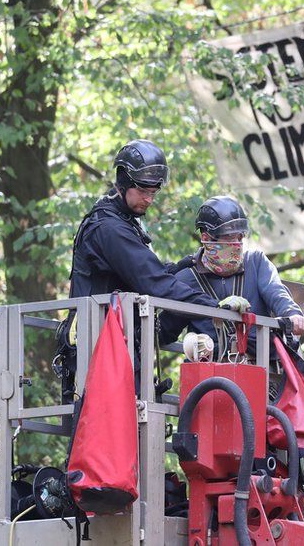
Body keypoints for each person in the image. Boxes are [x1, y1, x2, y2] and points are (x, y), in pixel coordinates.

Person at [63, 140, 245, 394]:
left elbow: (143, 275)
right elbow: (154, 283)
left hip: (115, 347)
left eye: (154, 192)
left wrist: (183, 265)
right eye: (143, 192)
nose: (149, 199)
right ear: (124, 184)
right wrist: (213, 306)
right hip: (102, 350)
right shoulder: (110, 229)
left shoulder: (123, 221)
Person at [157, 196, 304, 358]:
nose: (237, 244)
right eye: (229, 237)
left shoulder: (255, 263)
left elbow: (276, 293)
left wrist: (292, 314)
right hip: (210, 374)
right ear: (206, 239)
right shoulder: (186, 278)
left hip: (260, 366)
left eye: (240, 237)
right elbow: (164, 332)